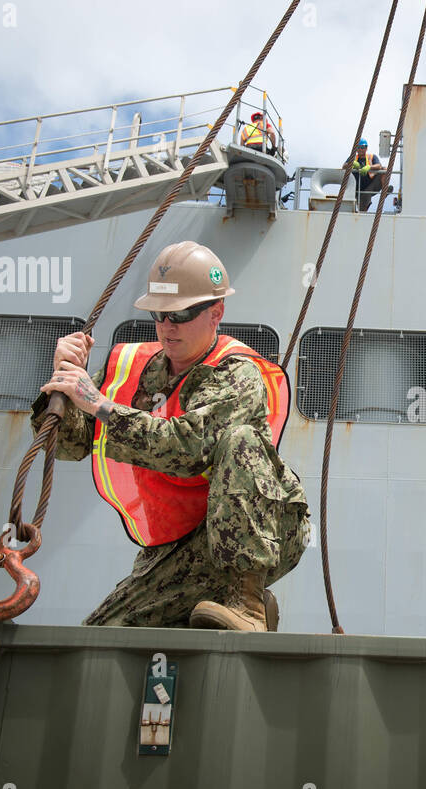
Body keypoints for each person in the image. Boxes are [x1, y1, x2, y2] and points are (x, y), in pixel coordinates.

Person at [33, 241, 311, 632]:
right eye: (160, 315)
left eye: (181, 314)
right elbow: (68, 446)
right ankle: (210, 606)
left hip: (262, 533)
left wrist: (99, 405)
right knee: (102, 636)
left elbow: (188, 447)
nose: (168, 326)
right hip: (180, 547)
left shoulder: (237, 372)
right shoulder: (128, 368)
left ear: (217, 313)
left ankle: (246, 599)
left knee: (241, 438)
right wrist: (62, 383)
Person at [349, 138, 387, 212]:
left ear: (366, 148)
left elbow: (379, 166)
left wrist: (369, 167)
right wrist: (351, 163)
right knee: (361, 211)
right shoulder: (353, 158)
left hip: (370, 185)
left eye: (363, 147)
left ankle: (385, 192)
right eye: (358, 147)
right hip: (356, 188)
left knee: (385, 170)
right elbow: (344, 166)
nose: (360, 149)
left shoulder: (372, 157)